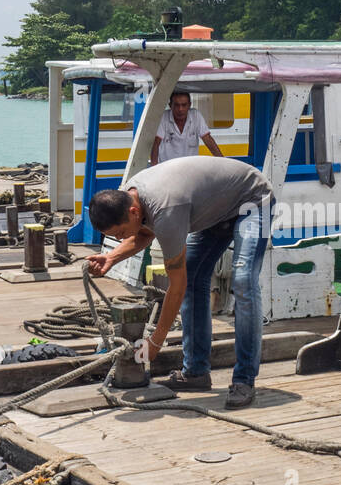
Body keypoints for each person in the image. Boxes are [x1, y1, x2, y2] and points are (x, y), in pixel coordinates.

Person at [86, 156, 272, 409]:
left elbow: (177, 285)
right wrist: (110, 257)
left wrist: (155, 342)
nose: (121, 239)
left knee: (242, 281)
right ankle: (196, 373)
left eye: (119, 234)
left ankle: (244, 380)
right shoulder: (132, 197)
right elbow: (143, 232)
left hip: (252, 200)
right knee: (196, 277)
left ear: (132, 211)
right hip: (217, 209)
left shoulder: (165, 210)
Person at [151, 90, 223, 165]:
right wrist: (154, 167)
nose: (180, 109)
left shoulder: (196, 115)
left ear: (189, 105)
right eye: (176, 105)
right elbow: (156, 143)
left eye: (184, 105)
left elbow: (208, 139)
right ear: (170, 105)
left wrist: (222, 162)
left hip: (190, 168)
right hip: (168, 168)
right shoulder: (163, 118)